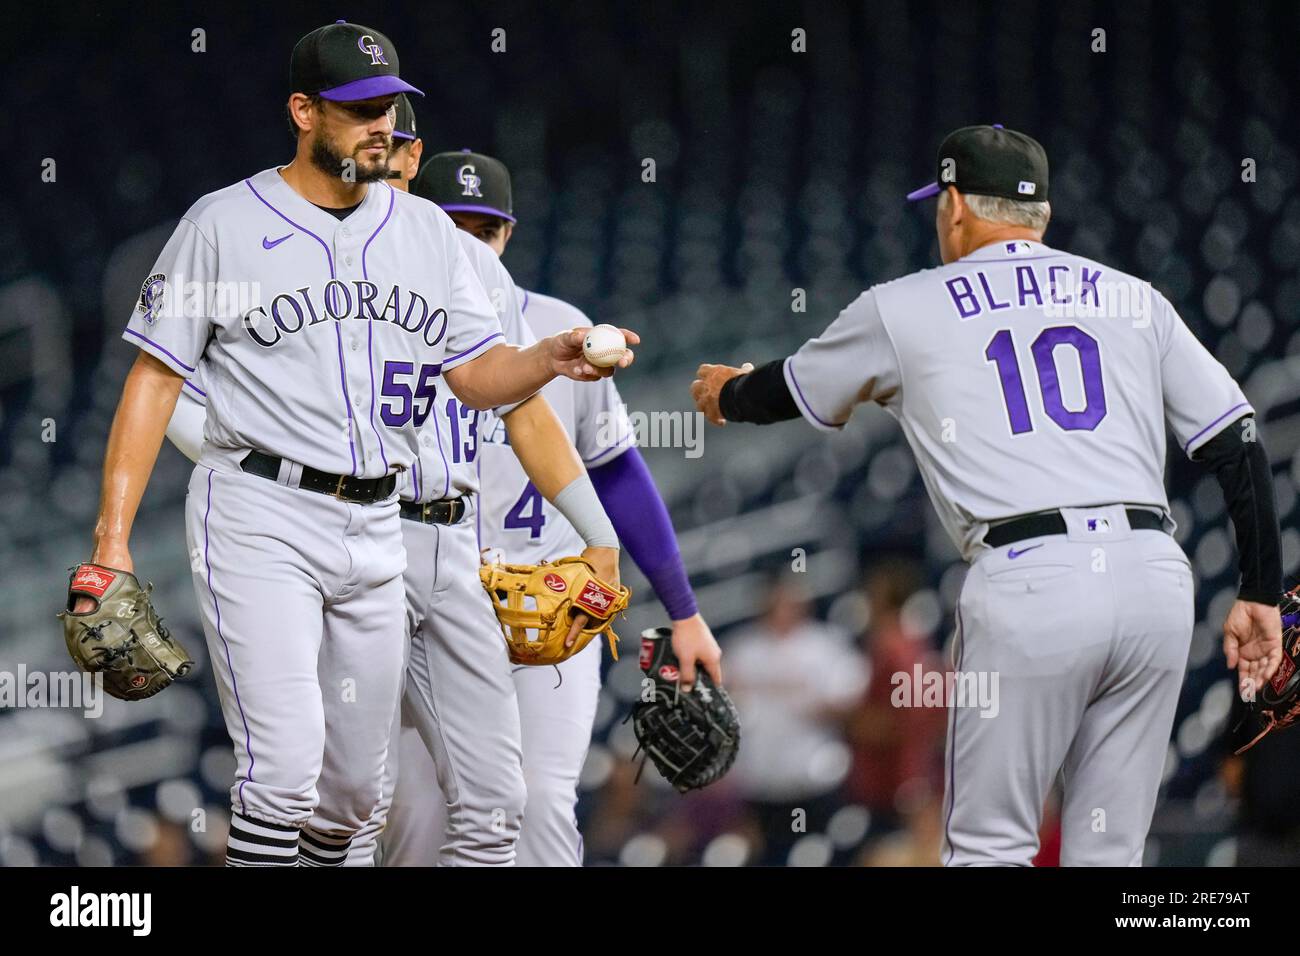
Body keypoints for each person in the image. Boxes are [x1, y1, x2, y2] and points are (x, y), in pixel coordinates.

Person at [104, 19, 633, 868]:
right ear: (303, 112)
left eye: (388, 104)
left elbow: (477, 376)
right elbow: (154, 380)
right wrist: (112, 541)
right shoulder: (224, 224)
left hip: (379, 523)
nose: (380, 121)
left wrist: (545, 358)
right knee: (280, 776)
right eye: (357, 107)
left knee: (353, 795)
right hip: (260, 509)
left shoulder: (425, 235)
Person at [690, 124, 1282, 866]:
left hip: (1030, 578)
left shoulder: (905, 306)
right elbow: (1238, 439)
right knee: (1110, 854)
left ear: (956, 206)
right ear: (1044, 217)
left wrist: (726, 393)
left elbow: (788, 391)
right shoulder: (1136, 298)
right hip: (1155, 578)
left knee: (988, 849)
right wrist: (1260, 590)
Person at [351, 142, 720, 866]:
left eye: (484, 229)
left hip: (545, 609)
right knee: (418, 820)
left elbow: (616, 474)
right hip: (424, 607)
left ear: (508, 235)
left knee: (543, 804)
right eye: (450, 223)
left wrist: (683, 610)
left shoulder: (560, 329)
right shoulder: (377, 332)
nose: (468, 243)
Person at [724, 575, 865, 865]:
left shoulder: (826, 645)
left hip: (815, 780)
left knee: (821, 854)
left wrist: (808, 700)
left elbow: (851, 703)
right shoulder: (743, 649)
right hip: (762, 784)